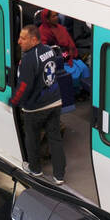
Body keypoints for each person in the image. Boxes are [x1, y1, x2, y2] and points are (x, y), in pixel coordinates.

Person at [10, 25, 65, 185]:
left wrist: (13, 101)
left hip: (36, 107)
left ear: (34, 40)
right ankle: (59, 175)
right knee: (55, 138)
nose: (19, 41)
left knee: (32, 138)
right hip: (55, 101)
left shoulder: (28, 59)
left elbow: (24, 86)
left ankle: (35, 169)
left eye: (23, 38)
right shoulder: (49, 50)